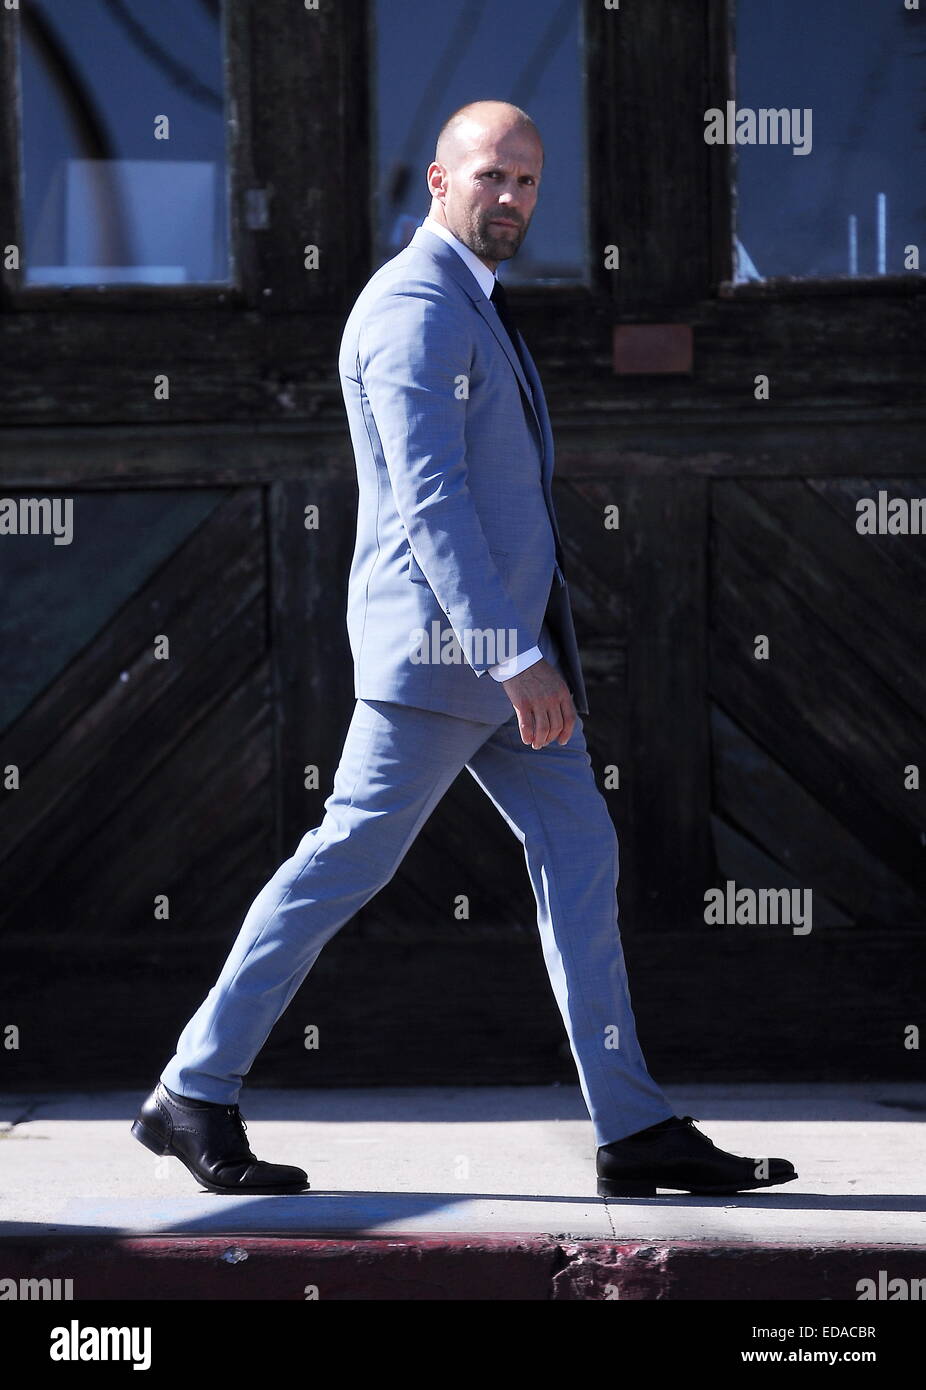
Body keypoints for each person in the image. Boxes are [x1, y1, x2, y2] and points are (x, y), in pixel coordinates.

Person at [132, 100, 796, 1199]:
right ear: (436, 182)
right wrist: (511, 656)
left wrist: (524, 655)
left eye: (528, 182)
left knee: (580, 860)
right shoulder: (412, 308)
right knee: (344, 862)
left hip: (503, 667)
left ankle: (631, 1128)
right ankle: (192, 1089)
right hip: (451, 664)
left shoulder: (469, 300)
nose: (512, 198)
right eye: (491, 175)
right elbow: (432, 508)